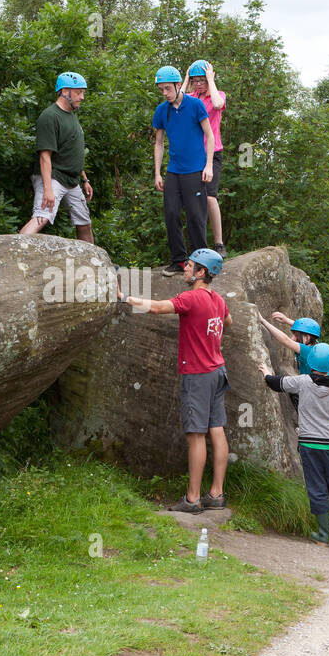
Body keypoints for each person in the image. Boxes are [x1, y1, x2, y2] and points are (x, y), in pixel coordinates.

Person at [118, 249, 230, 513]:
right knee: (217, 429)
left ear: (202, 272)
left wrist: (124, 298)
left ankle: (192, 499)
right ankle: (216, 494)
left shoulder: (190, 299)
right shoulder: (218, 300)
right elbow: (227, 320)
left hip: (198, 374)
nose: (185, 269)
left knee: (196, 434)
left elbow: (157, 308)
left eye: (190, 266)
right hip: (217, 371)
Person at [262, 342, 329, 546]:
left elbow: (276, 383)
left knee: (317, 486)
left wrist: (266, 372)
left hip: (309, 445)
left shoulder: (302, 382)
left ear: (311, 363)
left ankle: (322, 534)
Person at [152, 66, 214, 276]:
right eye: (161, 90)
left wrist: (209, 166)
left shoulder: (195, 104)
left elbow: (210, 135)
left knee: (196, 217)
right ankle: (178, 261)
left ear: (179, 85)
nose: (164, 93)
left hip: (196, 170)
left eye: (167, 89)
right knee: (170, 214)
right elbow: (159, 143)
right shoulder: (162, 110)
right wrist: (157, 173)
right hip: (174, 171)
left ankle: (201, 262)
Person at [19, 72, 93, 243]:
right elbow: (45, 156)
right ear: (65, 91)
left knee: (84, 224)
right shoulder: (50, 116)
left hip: (72, 181)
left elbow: (72, 151)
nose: (82, 97)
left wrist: (85, 179)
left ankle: (93, 264)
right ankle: (13, 254)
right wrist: (48, 189)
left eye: (83, 92)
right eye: (79, 92)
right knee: (41, 218)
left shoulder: (72, 116)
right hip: (53, 178)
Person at [186, 60, 227, 257]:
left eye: (201, 80)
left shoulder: (218, 96)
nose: (198, 84)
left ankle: (219, 243)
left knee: (210, 197)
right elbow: (177, 99)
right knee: (195, 200)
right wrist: (186, 79)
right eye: (196, 81)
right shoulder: (192, 97)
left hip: (213, 153)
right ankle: (199, 245)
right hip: (194, 154)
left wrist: (211, 78)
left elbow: (218, 104)